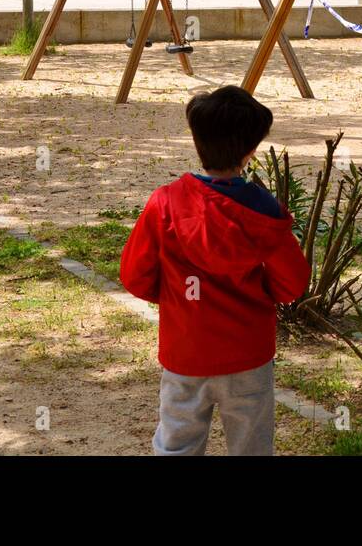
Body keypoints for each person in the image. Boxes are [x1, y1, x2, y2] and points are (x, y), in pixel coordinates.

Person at [120, 86, 310, 456]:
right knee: (251, 447)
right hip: (248, 355)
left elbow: (134, 275)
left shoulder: (166, 202)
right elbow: (292, 284)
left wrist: (177, 295)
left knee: (177, 443)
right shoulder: (265, 211)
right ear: (251, 150)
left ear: (197, 141)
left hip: (185, 351)